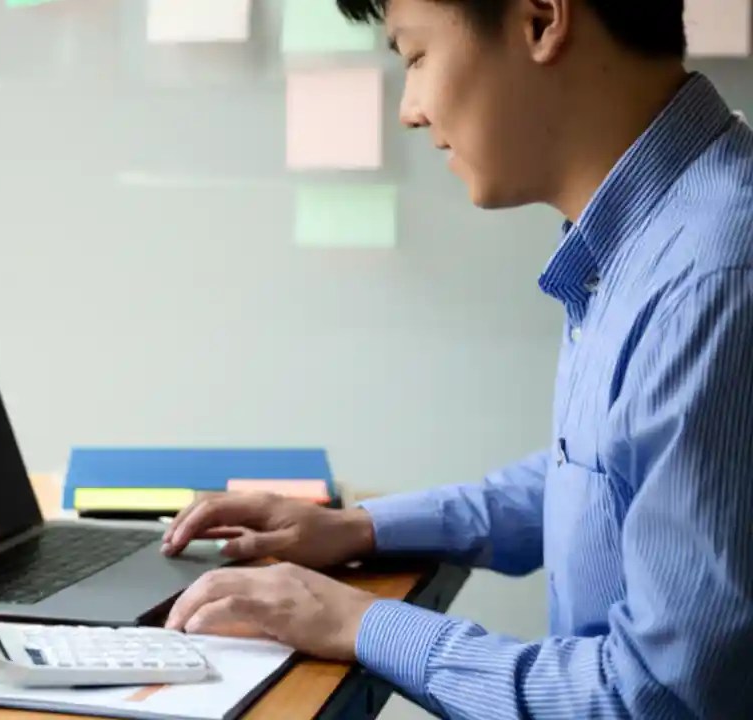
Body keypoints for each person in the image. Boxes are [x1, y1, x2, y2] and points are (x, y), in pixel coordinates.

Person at [159, 0, 753, 717]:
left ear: (539, 20)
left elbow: (655, 699)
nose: (409, 110)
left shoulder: (714, 280)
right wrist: (362, 529)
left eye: (413, 57)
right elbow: (601, 480)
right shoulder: (656, 239)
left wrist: (357, 622)